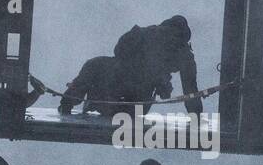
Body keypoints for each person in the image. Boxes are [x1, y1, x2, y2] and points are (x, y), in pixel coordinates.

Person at [60, 14, 203, 116]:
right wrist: (195, 114)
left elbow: (118, 50)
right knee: (95, 66)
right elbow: (190, 88)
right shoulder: (181, 52)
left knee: (94, 65)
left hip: (126, 96)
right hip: (132, 99)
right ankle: (81, 101)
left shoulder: (148, 34)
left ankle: (77, 102)